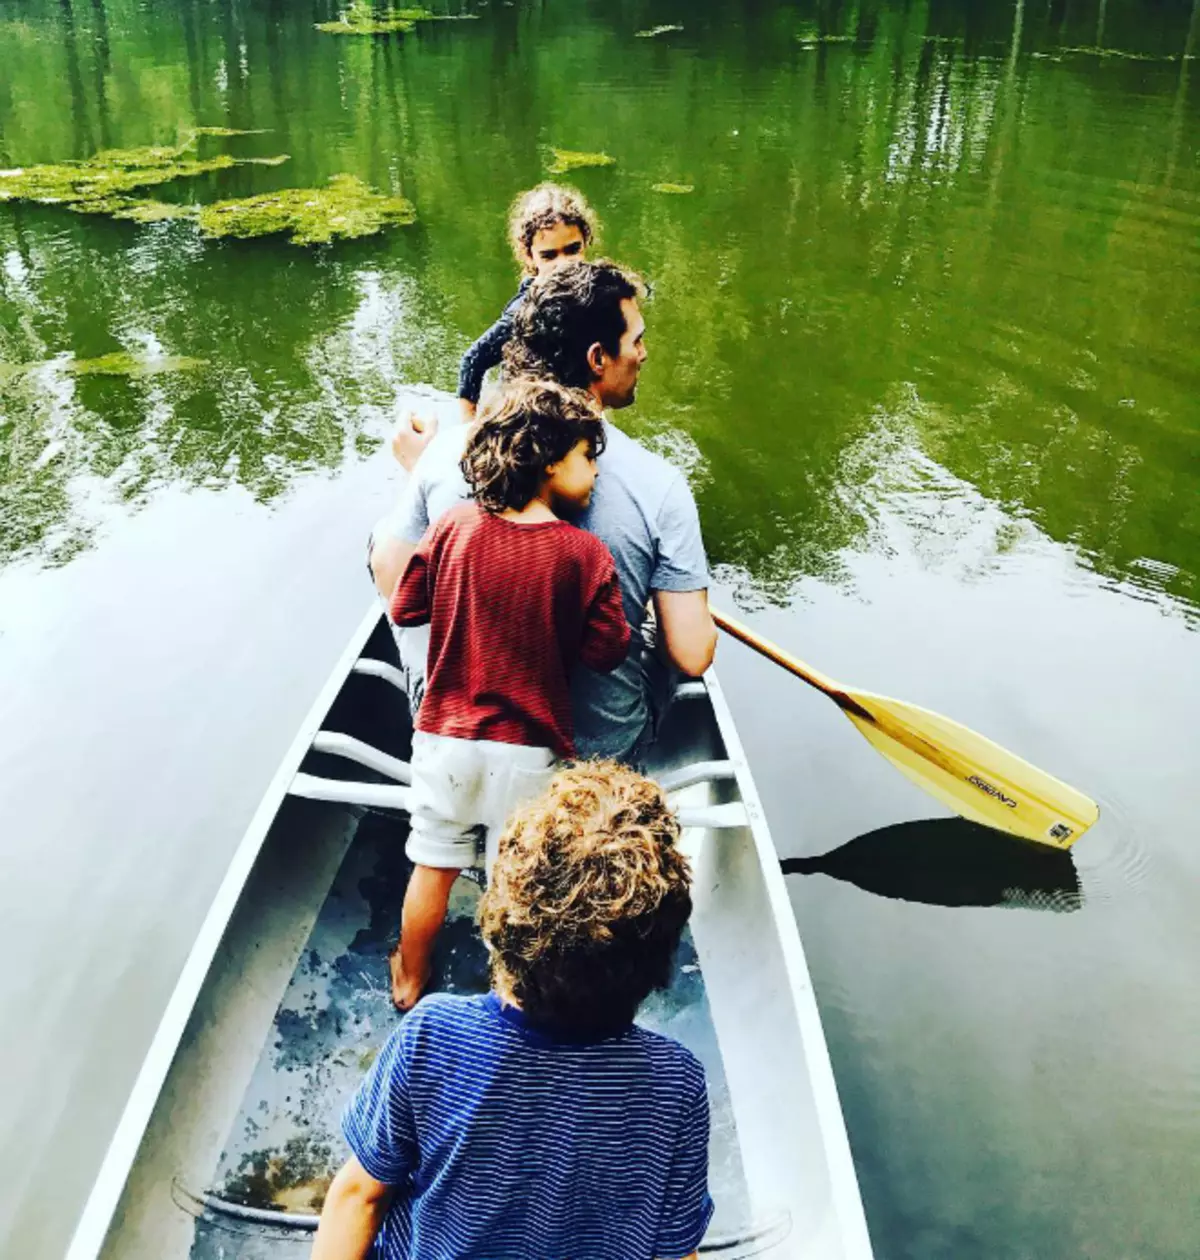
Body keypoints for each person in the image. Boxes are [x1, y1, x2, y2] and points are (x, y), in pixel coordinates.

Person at [312, 762, 714, 1260]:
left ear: (503, 920)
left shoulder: (432, 1037)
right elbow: (676, 1253)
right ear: (658, 961)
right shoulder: (676, 1085)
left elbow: (360, 1195)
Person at [373, 259, 717, 766]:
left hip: (460, 743)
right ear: (598, 358)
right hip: (595, 764)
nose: (644, 353)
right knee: (658, 636)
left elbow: (393, 583)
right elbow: (692, 654)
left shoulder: (448, 451)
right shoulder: (660, 486)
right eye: (637, 340)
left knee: (383, 541)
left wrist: (421, 476)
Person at [386, 379, 629, 1010]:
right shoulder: (585, 553)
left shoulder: (452, 529)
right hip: (527, 751)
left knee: (432, 866)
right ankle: (507, 999)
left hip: (443, 738)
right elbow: (608, 651)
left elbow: (406, 609)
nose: (596, 472)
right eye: (587, 456)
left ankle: (410, 980)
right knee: (514, 882)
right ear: (550, 462)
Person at [456, 183, 597, 423]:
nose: (563, 264)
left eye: (573, 250)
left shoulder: (592, 292)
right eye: (549, 255)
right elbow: (472, 361)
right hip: (521, 418)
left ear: (586, 242)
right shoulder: (525, 310)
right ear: (530, 256)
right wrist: (468, 430)